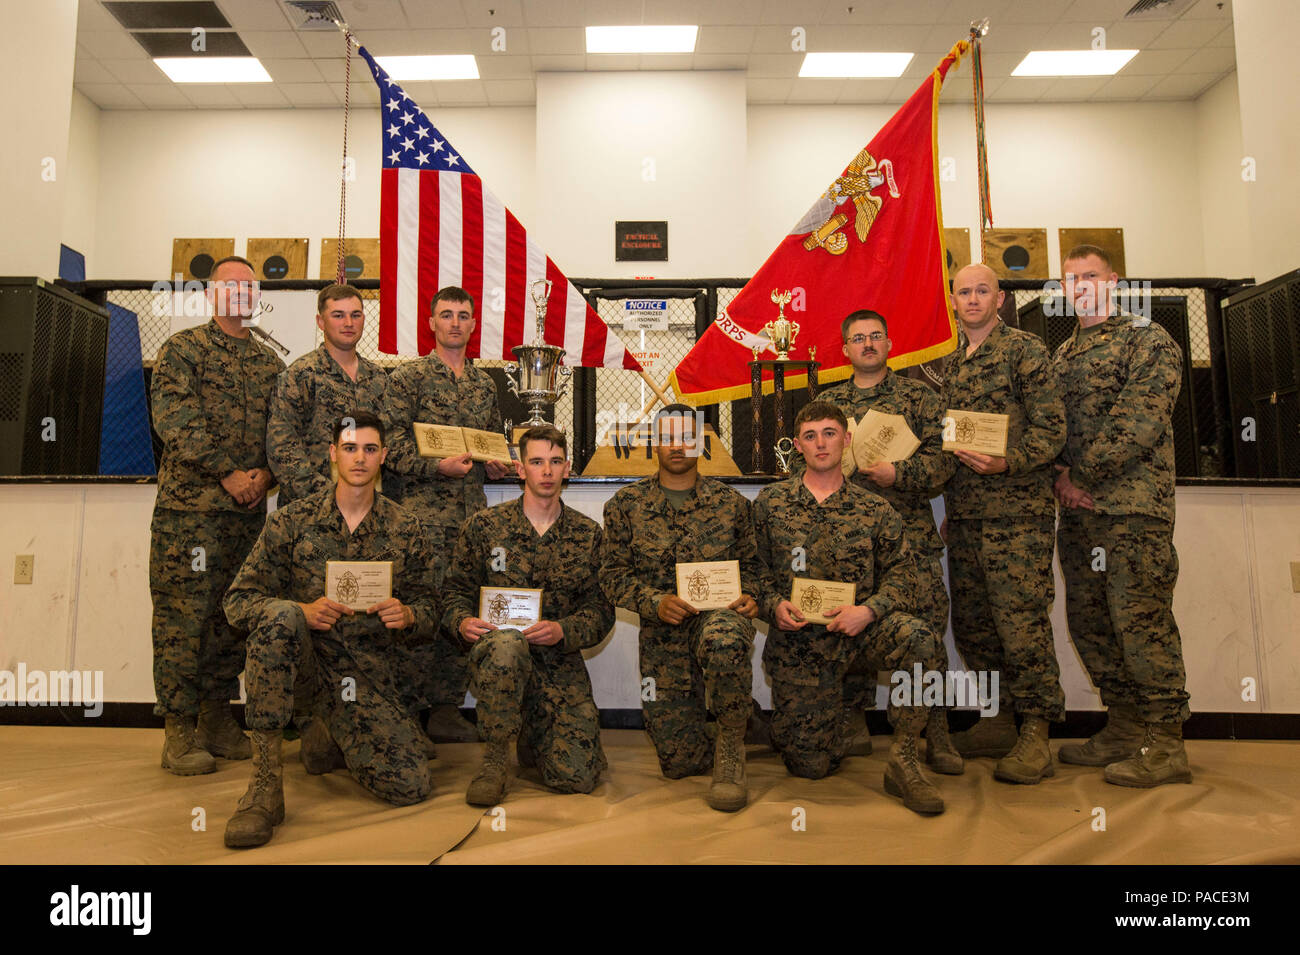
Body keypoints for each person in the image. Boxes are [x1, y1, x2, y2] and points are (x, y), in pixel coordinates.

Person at [223, 412, 438, 848]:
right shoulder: (292, 521)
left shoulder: (406, 527)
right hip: (305, 670)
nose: (359, 458)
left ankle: (326, 732)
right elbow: (237, 602)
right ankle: (265, 786)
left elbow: (433, 611)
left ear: (384, 457)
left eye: (370, 449)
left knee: (409, 784)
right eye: (350, 448)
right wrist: (301, 610)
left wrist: (410, 615)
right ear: (332, 454)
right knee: (280, 616)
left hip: (367, 679)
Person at [753, 402, 947, 815]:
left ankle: (905, 759)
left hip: (860, 632)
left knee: (919, 639)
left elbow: (904, 574)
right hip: (799, 641)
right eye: (810, 435)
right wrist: (773, 606)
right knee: (810, 767)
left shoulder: (875, 508)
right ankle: (832, 722)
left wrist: (870, 611)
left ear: (847, 438)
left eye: (829, 433)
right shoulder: (771, 504)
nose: (821, 443)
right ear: (798, 446)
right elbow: (753, 572)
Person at [1052, 245, 1192, 787]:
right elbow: (1049, 430)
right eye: (1072, 278)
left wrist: (1080, 478)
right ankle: (1124, 726)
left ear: (1115, 281)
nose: (1082, 284)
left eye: (1091, 275)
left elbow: (1140, 420)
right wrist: (1060, 478)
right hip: (1081, 517)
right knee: (1092, 624)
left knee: (1141, 625)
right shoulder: (1061, 355)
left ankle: (1167, 743)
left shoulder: (1148, 339)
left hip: (1133, 511)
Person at [148, 255, 283, 775]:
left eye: (249, 285)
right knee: (184, 619)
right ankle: (178, 731)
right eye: (231, 284)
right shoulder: (183, 350)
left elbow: (280, 436)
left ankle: (218, 719)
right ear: (211, 293)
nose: (241, 291)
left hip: (246, 516)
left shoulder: (270, 365)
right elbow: (175, 421)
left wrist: (265, 478)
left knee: (232, 618)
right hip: (190, 515)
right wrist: (229, 473)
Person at [813, 309, 961, 774]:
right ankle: (852, 718)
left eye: (876, 335)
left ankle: (934, 732)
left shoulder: (919, 397)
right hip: (845, 543)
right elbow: (811, 463)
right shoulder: (829, 403)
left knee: (925, 635)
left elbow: (945, 461)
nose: (868, 344)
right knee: (845, 624)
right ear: (845, 349)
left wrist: (901, 473)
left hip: (909, 538)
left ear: (890, 343)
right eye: (858, 338)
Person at [936, 262, 1067, 785]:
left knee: (1022, 626)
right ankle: (998, 720)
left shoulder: (1025, 352)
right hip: (966, 517)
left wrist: (1009, 459)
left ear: (1001, 297)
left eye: (982, 291)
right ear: (953, 300)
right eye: (963, 291)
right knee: (975, 626)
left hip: (1018, 516)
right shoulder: (948, 365)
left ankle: (1036, 734)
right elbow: (951, 442)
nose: (972, 299)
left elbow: (1052, 428)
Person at [599, 404, 762, 812]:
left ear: (701, 443)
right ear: (653, 443)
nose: (677, 445)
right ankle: (742, 716)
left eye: (686, 436)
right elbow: (612, 575)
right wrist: (654, 602)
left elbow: (756, 568)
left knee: (723, 639)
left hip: (720, 619)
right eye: (667, 436)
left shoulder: (732, 504)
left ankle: (729, 743)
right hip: (663, 633)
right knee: (679, 763)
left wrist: (752, 594)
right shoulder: (625, 505)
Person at [442, 425, 614, 806]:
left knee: (578, 777)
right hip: (499, 662)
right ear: (521, 469)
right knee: (506, 644)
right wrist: (461, 621)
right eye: (537, 462)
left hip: (558, 665)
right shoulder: (484, 527)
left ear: (567, 468)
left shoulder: (588, 535)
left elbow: (601, 611)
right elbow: (454, 593)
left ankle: (535, 735)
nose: (547, 471)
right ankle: (494, 759)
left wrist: (563, 630)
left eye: (555, 462)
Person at [387, 286, 512, 742]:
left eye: (464, 315)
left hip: (469, 520)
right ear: (431, 323)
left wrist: (496, 463)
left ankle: (444, 708)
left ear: (475, 324)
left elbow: (485, 445)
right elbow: (389, 447)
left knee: (460, 609)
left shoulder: (484, 384)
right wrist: (433, 466)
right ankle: (407, 715)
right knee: (419, 612)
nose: (455, 322)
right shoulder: (408, 379)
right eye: (446, 314)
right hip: (419, 519)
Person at [266, 284, 393, 507]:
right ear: (321, 322)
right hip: (310, 508)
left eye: (355, 315)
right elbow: (282, 448)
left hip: (367, 507)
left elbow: (388, 440)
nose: (348, 323)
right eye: (338, 315)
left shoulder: (378, 378)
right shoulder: (300, 375)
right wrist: (329, 497)